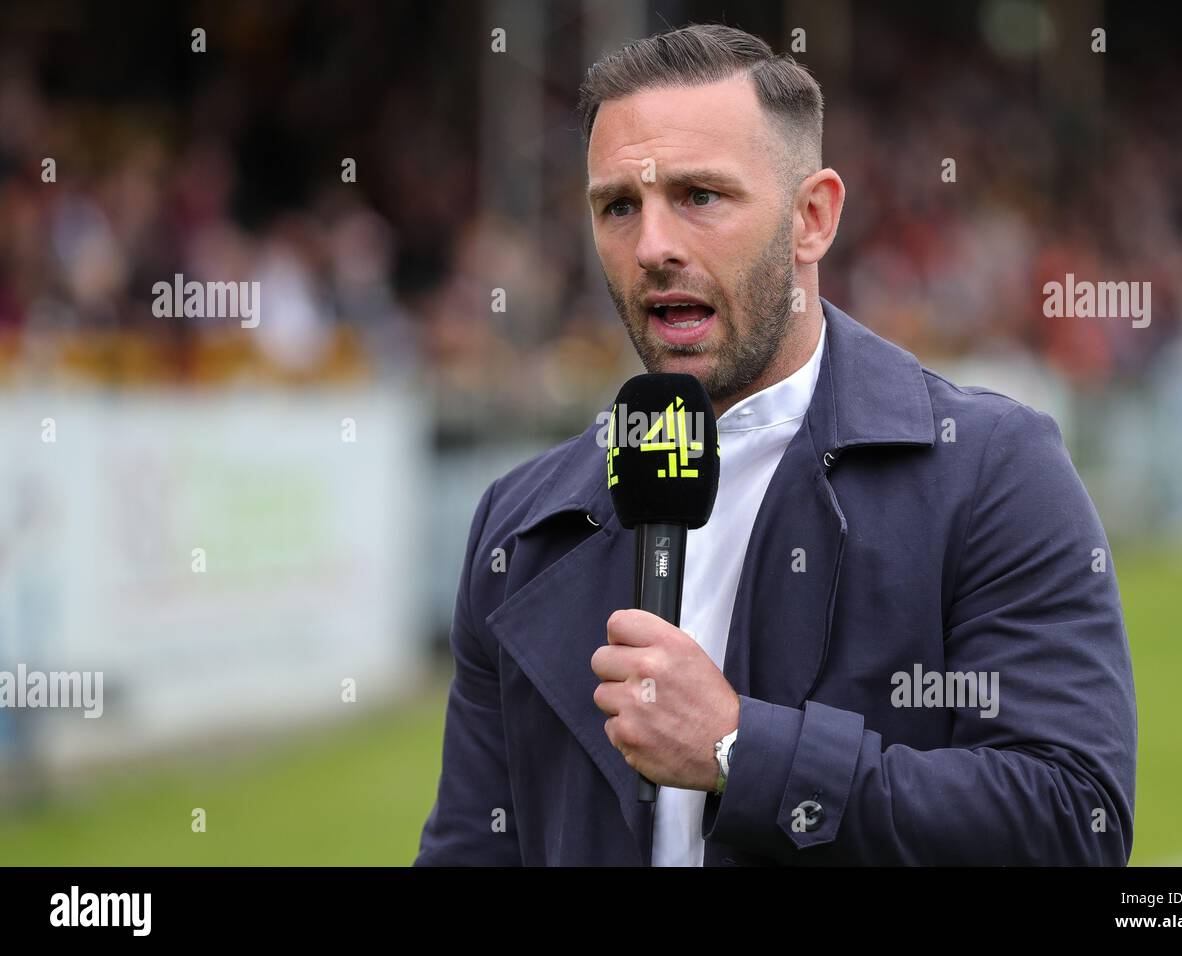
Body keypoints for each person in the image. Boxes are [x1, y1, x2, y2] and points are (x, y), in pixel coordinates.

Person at [414, 23, 1137, 866]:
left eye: (700, 196)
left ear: (812, 217)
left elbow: (1070, 820)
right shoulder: (522, 521)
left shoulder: (989, 471)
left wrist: (739, 749)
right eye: (619, 205)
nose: (653, 247)